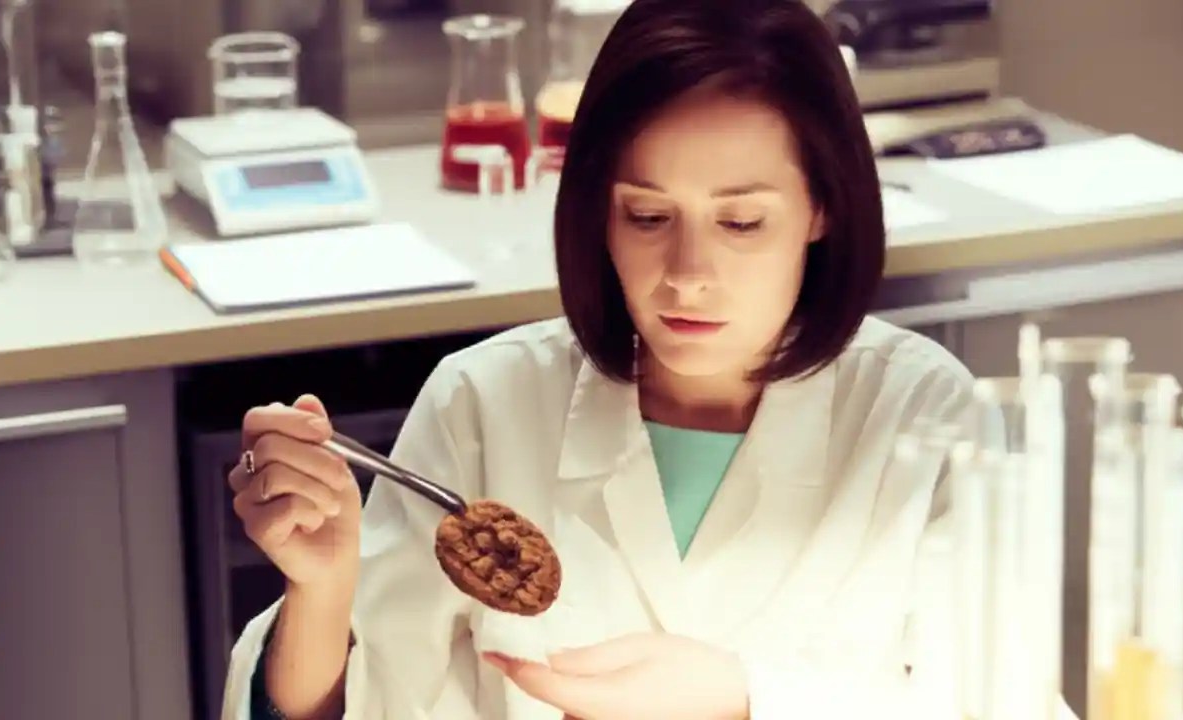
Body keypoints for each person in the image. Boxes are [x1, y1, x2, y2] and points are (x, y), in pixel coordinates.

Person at [220, 0, 978, 717]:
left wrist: (747, 698)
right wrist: (321, 593)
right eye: (647, 216)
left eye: (741, 221)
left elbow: (1000, 697)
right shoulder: (486, 403)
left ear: (823, 207)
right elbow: (376, 699)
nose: (687, 272)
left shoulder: (923, 416)